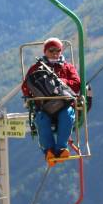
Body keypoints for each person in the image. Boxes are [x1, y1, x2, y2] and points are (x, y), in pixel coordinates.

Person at [22, 37, 81, 166]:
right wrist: (30, 97)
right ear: (45, 51)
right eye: (51, 50)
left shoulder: (67, 67)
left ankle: (60, 149)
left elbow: (77, 83)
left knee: (67, 116)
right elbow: (26, 86)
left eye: (58, 50)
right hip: (44, 106)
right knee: (42, 120)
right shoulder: (36, 68)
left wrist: (61, 82)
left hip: (63, 104)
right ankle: (49, 151)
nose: (55, 53)